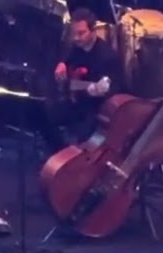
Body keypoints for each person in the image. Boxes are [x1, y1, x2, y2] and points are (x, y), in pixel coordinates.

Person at [46, 9, 122, 151]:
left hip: (92, 109)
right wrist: (62, 63)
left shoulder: (107, 57)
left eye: (81, 33)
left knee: (84, 132)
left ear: (93, 31)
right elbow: (66, 56)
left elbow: (113, 89)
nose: (76, 38)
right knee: (43, 114)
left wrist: (97, 90)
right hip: (72, 101)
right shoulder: (75, 47)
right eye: (74, 33)